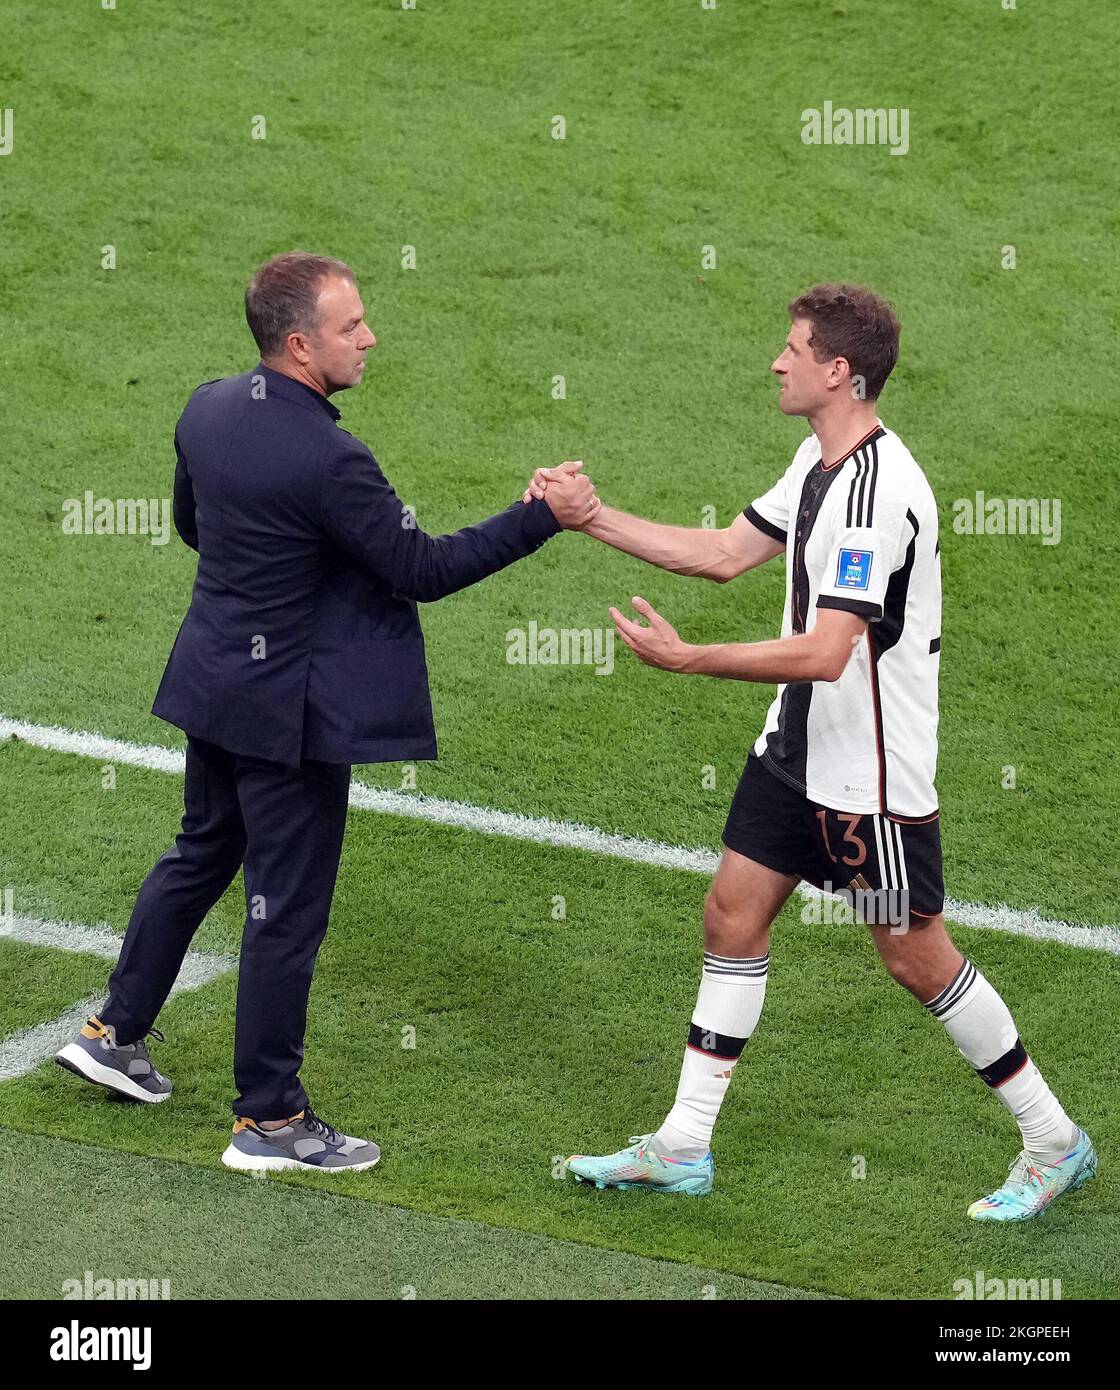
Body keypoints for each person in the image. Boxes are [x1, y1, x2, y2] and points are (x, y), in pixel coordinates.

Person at [529, 284, 1096, 1221]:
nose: (777, 361)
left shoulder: (879, 496)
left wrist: (689, 658)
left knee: (914, 955)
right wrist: (588, 518)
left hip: (866, 781)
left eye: (794, 349)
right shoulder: (817, 461)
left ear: (840, 371)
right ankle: (681, 1146)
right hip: (794, 753)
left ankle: (1053, 1140)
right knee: (732, 913)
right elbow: (719, 553)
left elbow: (828, 653)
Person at [55, 250, 599, 1175]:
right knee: (284, 914)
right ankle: (269, 1121)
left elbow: (198, 527)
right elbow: (421, 570)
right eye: (353, 327)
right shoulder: (331, 456)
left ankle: (115, 1032)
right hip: (288, 719)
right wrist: (540, 514)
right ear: (300, 344)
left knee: (198, 856)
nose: (371, 337)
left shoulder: (207, 406)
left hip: (214, 685)